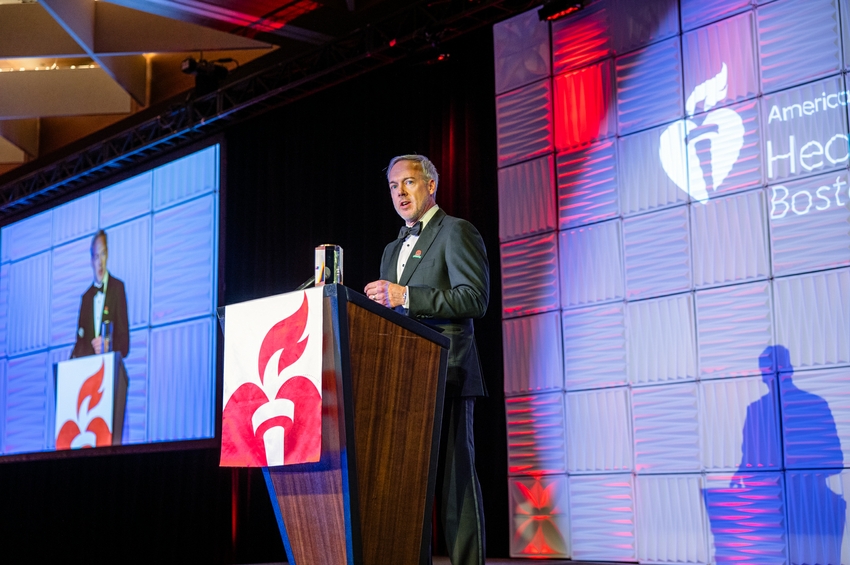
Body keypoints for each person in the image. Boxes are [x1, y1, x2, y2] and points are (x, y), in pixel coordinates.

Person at [364, 154, 488, 565]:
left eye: (408, 183)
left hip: (447, 372)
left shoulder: (456, 232)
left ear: (431, 185)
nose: (399, 192)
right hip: (402, 378)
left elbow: (475, 298)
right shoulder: (390, 250)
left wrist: (406, 297)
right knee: (408, 485)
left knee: (456, 486)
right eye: (392, 186)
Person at [71, 229, 130, 359]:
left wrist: (109, 346)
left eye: (103, 254)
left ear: (107, 255)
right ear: (91, 260)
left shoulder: (117, 288)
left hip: (111, 371)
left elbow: (125, 344)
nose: (100, 263)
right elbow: (80, 344)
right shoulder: (86, 298)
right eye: (96, 256)